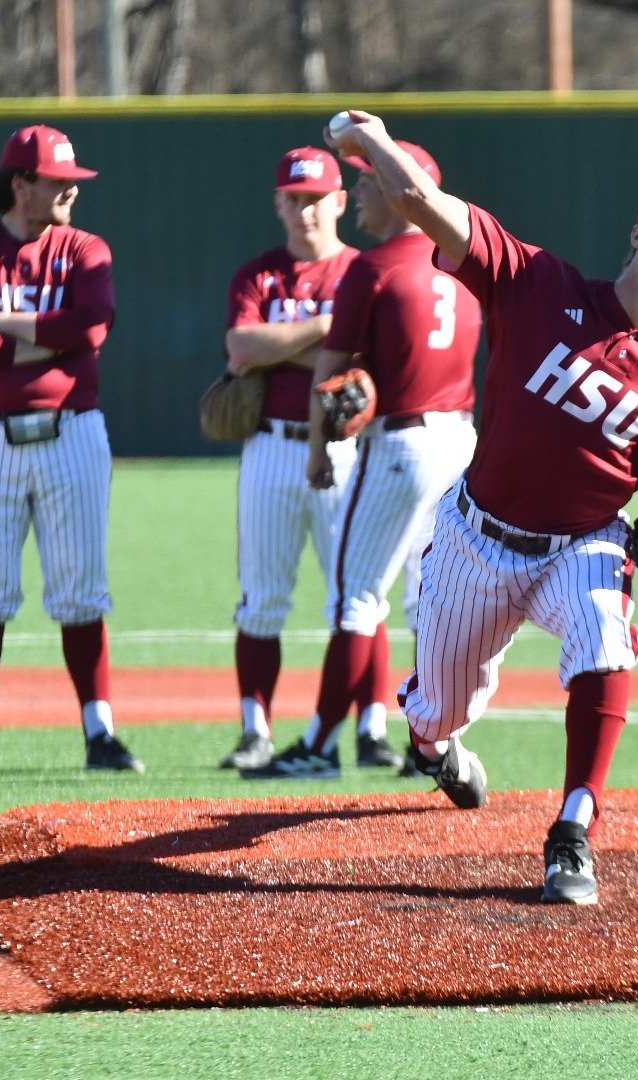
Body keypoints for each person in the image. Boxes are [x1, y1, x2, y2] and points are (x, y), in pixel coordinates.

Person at [323, 111, 638, 904]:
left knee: (607, 638)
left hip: (582, 542)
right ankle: (435, 746)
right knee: (440, 711)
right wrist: (371, 140)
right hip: (474, 536)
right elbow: (423, 204)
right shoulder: (538, 284)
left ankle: (573, 831)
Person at [241, 140, 482, 781]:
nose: (362, 195)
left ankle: (320, 744)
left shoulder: (372, 269)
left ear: (403, 192)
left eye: (369, 184)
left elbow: (332, 370)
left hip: (398, 443)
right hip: (460, 440)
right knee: (433, 602)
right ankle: (433, 742)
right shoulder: (466, 263)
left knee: (355, 600)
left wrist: (321, 449)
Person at [0, 125, 143, 775]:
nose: (71, 189)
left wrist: (5, 328)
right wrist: (50, 341)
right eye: (57, 181)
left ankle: (100, 734)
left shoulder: (84, 248)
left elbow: (93, 326)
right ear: (20, 186)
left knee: (81, 592)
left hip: (72, 432)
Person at [216, 147, 364, 771]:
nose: (305, 210)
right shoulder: (259, 275)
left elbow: (364, 365)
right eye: (293, 199)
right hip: (269, 446)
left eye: (316, 199)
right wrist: (329, 330)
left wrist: (280, 348)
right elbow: (241, 346)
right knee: (262, 598)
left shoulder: (363, 270)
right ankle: (256, 731)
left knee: (357, 595)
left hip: (345, 446)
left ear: (340, 202)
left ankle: (370, 727)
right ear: (279, 203)